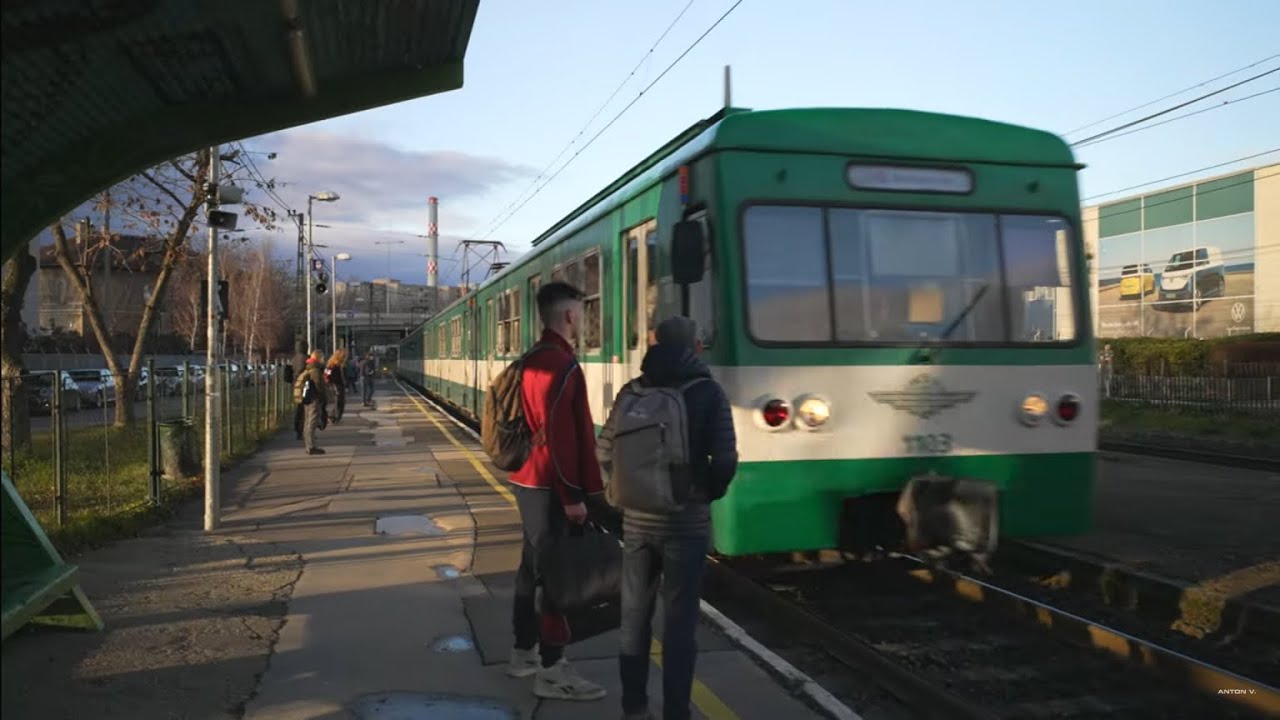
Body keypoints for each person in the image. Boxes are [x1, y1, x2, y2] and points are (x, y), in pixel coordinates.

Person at [596, 316, 738, 720]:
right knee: (679, 625)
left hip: (637, 523)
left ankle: (633, 708)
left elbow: (603, 452)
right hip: (685, 524)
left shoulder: (632, 390)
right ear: (696, 347)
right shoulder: (708, 392)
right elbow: (725, 460)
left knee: (634, 617)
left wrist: (620, 495)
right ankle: (677, 712)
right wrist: (704, 494)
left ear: (655, 343)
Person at [504, 281, 608, 702]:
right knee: (557, 578)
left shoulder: (530, 359)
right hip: (549, 487)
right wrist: (573, 498)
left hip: (527, 480)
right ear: (569, 316)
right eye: (580, 314)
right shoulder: (561, 366)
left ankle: (522, 653)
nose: (581, 321)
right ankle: (552, 669)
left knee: (531, 569)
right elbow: (563, 442)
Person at [292, 351, 329, 455]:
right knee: (311, 422)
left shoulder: (308, 367)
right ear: (318, 358)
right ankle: (311, 446)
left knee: (308, 422)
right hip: (314, 399)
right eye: (322, 357)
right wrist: (323, 397)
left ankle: (309, 445)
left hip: (307, 399)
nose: (323, 359)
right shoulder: (315, 370)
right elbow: (319, 386)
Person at [324, 349, 347, 424]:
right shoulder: (333, 366)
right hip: (337, 385)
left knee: (337, 402)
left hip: (336, 385)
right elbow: (326, 376)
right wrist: (331, 382)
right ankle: (335, 417)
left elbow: (326, 375)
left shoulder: (332, 365)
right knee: (339, 402)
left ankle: (333, 417)